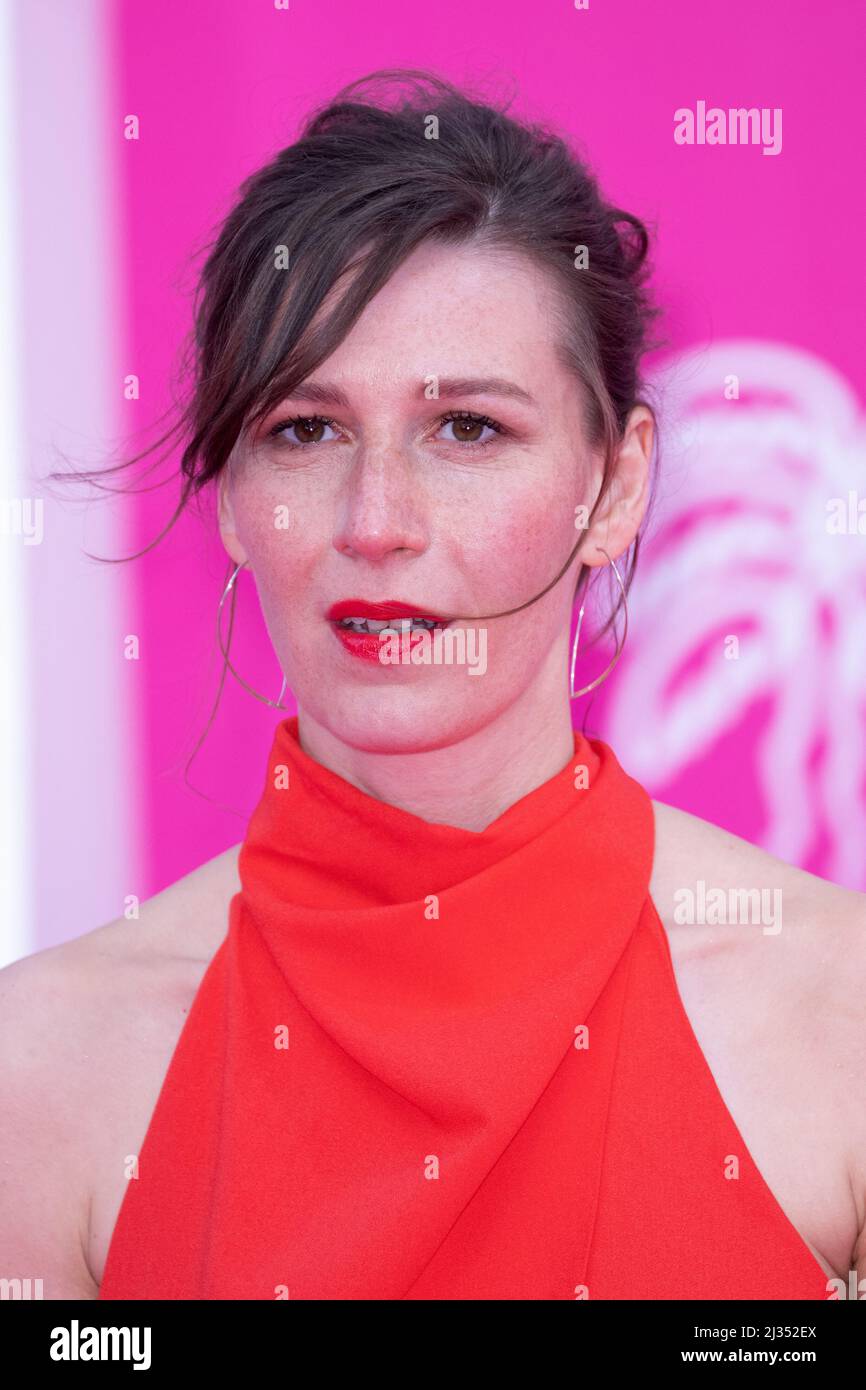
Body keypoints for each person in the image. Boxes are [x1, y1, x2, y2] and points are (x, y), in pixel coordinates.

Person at [1, 69, 863, 1301]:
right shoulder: (37, 1069)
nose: (375, 521)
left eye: (467, 429)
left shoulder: (841, 1017)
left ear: (613, 487)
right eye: (304, 428)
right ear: (232, 501)